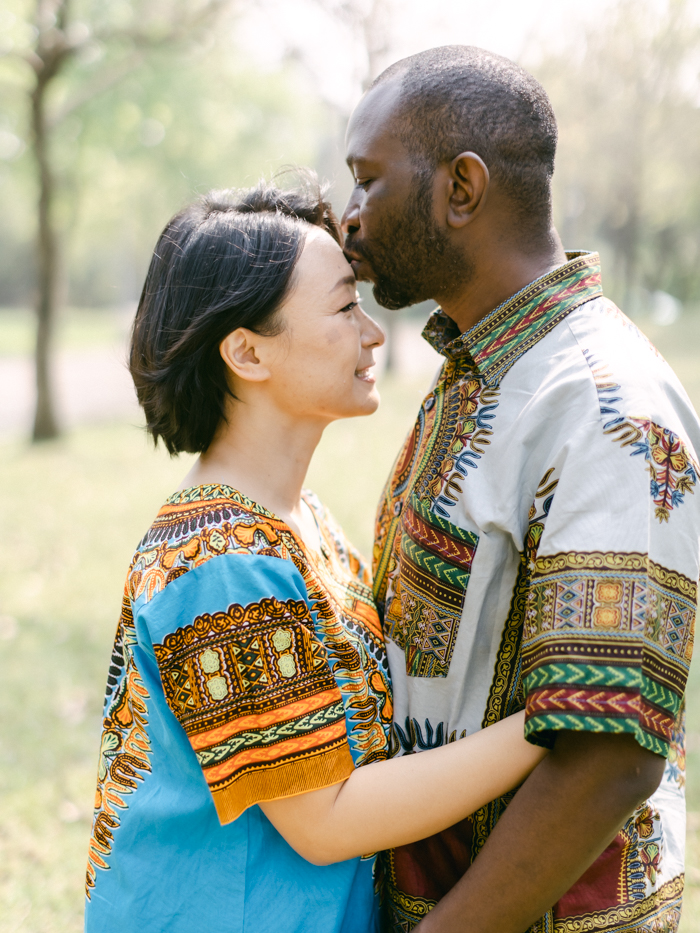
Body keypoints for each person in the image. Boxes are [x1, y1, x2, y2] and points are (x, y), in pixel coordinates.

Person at [84, 178, 546, 933]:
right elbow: (325, 818)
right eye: (342, 307)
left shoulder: (296, 520)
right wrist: (549, 724)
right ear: (246, 351)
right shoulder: (219, 560)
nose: (374, 334)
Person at [341, 46, 700, 933]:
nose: (347, 219)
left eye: (368, 182)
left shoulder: (604, 407)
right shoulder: (484, 365)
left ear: (460, 188)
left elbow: (610, 753)